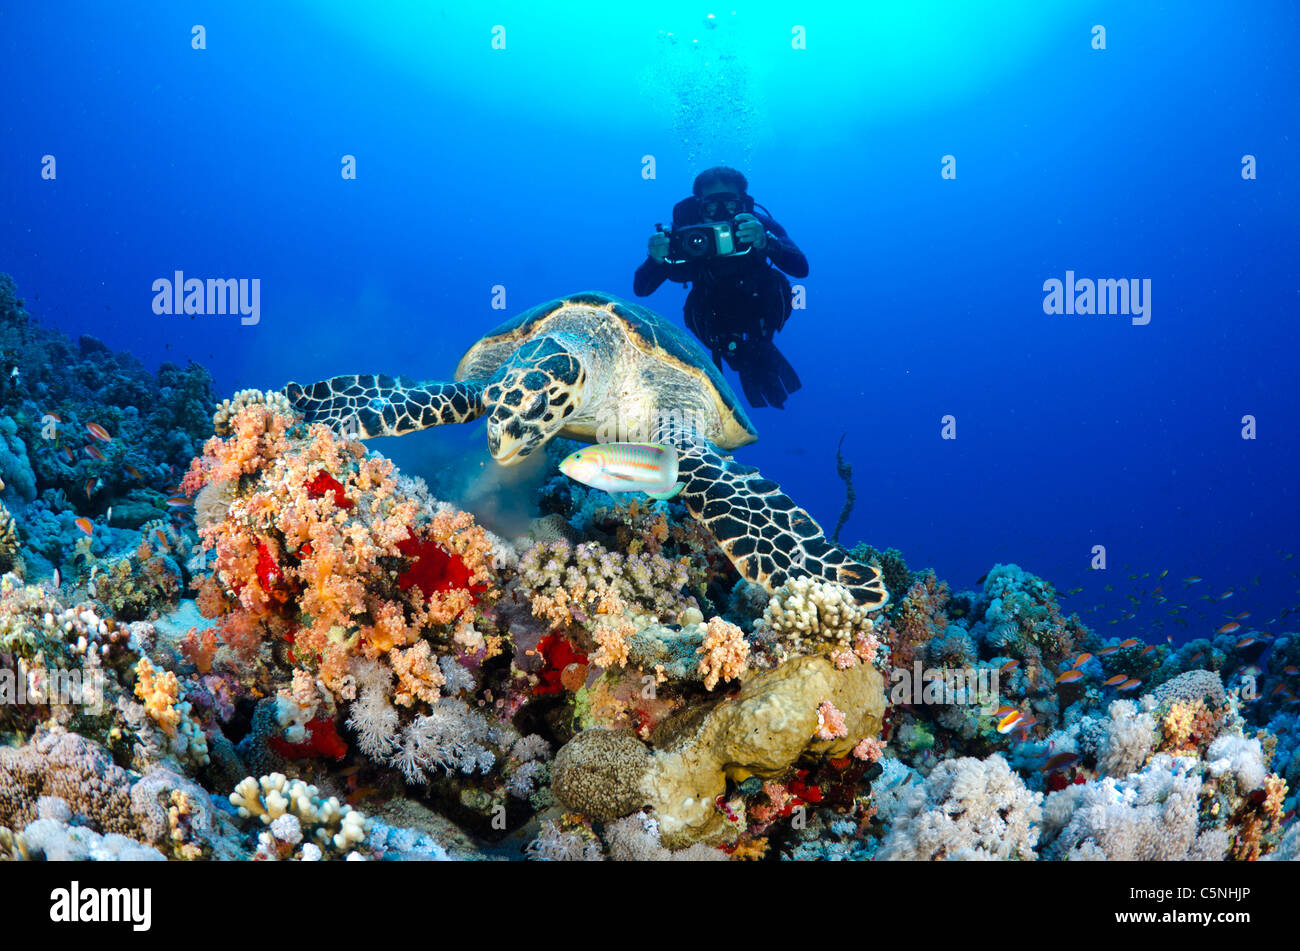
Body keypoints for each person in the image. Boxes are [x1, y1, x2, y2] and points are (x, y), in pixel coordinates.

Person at [633, 167, 807, 409]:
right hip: (711, 313)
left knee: (773, 285)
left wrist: (766, 242)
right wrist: (656, 259)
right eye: (712, 206)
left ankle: (757, 345)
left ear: (744, 203)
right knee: (724, 339)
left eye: (731, 204)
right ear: (698, 205)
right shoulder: (684, 235)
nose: (722, 213)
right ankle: (733, 354)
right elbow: (641, 288)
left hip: (761, 306)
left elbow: (801, 268)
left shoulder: (758, 225)